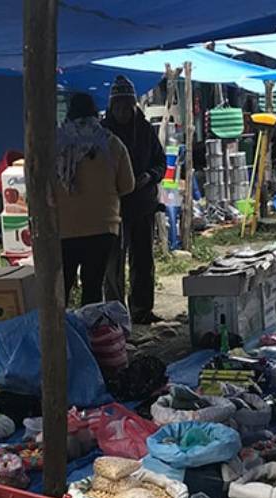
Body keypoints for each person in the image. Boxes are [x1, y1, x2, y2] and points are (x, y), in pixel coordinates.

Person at [55, 93, 135, 305]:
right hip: (102, 228)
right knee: (92, 286)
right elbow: (128, 186)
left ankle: (61, 335)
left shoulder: (55, 145)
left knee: (60, 289)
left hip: (63, 229)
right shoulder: (112, 143)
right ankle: (90, 334)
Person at [104, 76, 165, 325]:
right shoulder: (102, 133)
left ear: (133, 106)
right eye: (117, 107)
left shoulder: (146, 131)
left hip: (143, 204)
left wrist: (149, 176)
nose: (122, 112)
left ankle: (141, 310)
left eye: (126, 107)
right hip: (112, 209)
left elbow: (160, 163)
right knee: (113, 264)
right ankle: (115, 313)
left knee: (142, 260)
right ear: (111, 107)